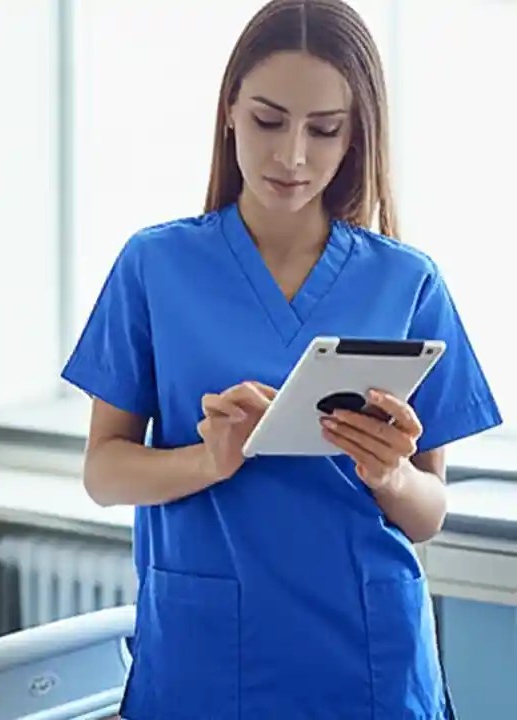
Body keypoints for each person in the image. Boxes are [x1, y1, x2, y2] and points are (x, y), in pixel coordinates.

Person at [60, 0, 503, 718]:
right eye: (269, 121)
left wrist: (390, 474)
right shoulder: (154, 268)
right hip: (206, 662)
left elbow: (429, 513)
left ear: (354, 136)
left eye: (323, 130)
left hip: (369, 663)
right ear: (230, 112)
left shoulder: (407, 282)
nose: (292, 156)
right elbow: (103, 472)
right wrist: (207, 461)